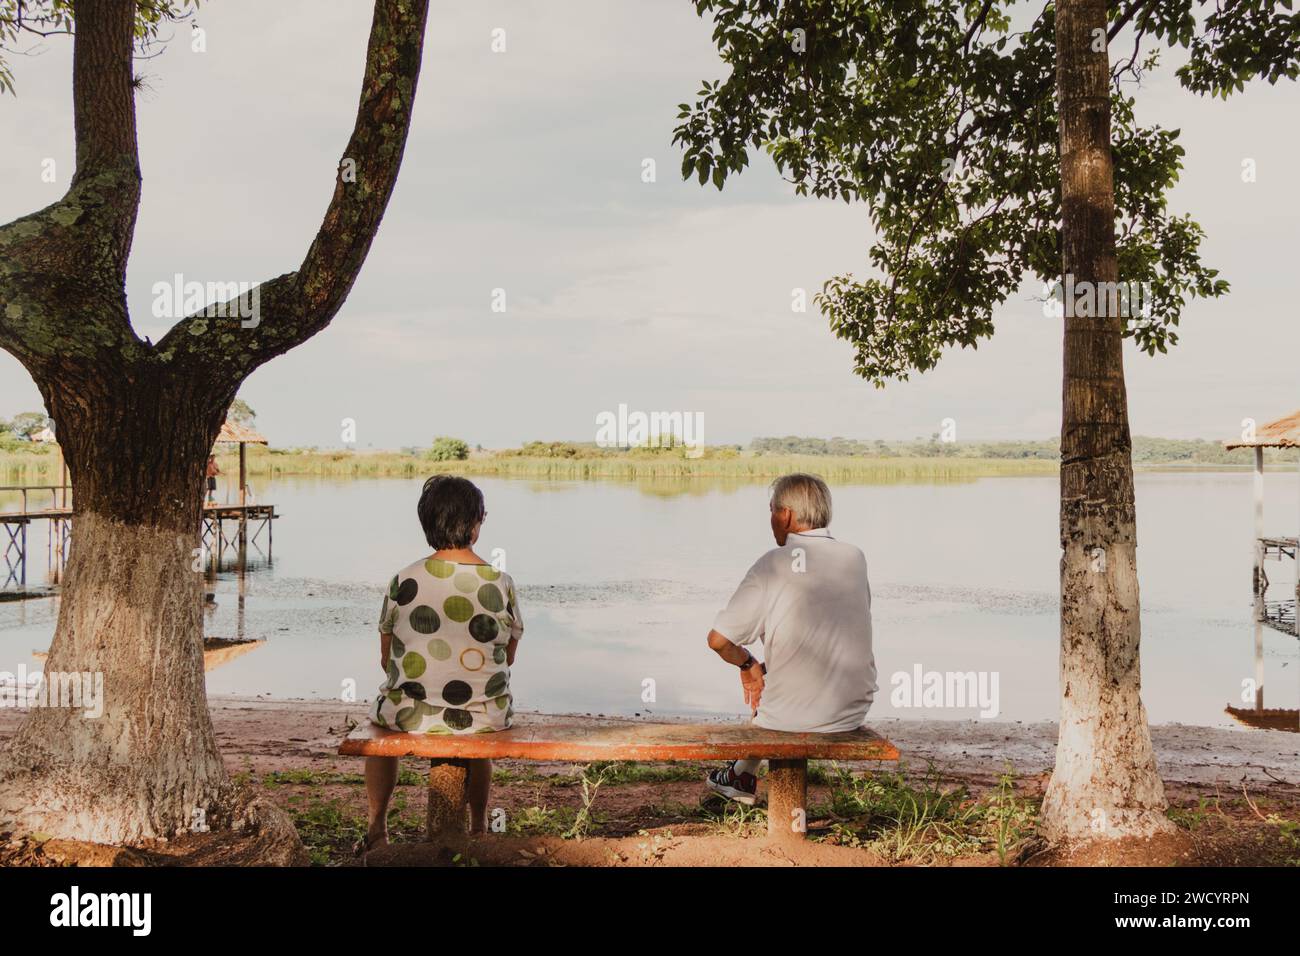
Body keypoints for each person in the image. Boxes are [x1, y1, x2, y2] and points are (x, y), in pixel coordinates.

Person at [360, 475, 524, 852]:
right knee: (480, 721)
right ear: (477, 523)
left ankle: (377, 828)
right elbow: (509, 656)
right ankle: (479, 825)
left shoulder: (403, 580)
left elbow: (387, 659)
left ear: (427, 525)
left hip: (412, 713)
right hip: (486, 715)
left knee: (378, 727)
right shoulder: (501, 582)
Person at [704, 473, 876, 805]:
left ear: (785, 516)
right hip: (851, 711)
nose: (770, 520)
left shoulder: (774, 564)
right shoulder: (855, 558)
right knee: (778, 680)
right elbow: (833, 628)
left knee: (769, 700)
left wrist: (748, 663)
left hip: (790, 718)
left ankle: (740, 776)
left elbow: (718, 640)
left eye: (771, 511)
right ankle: (740, 775)